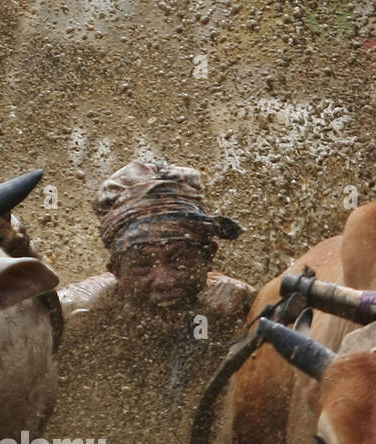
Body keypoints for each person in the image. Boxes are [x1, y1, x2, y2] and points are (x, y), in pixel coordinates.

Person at [58, 159, 255, 412]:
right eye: (142, 265)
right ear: (115, 270)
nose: (164, 281)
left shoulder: (236, 306)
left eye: (180, 260)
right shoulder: (77, 313)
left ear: (209, 256)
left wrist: (247, 307)